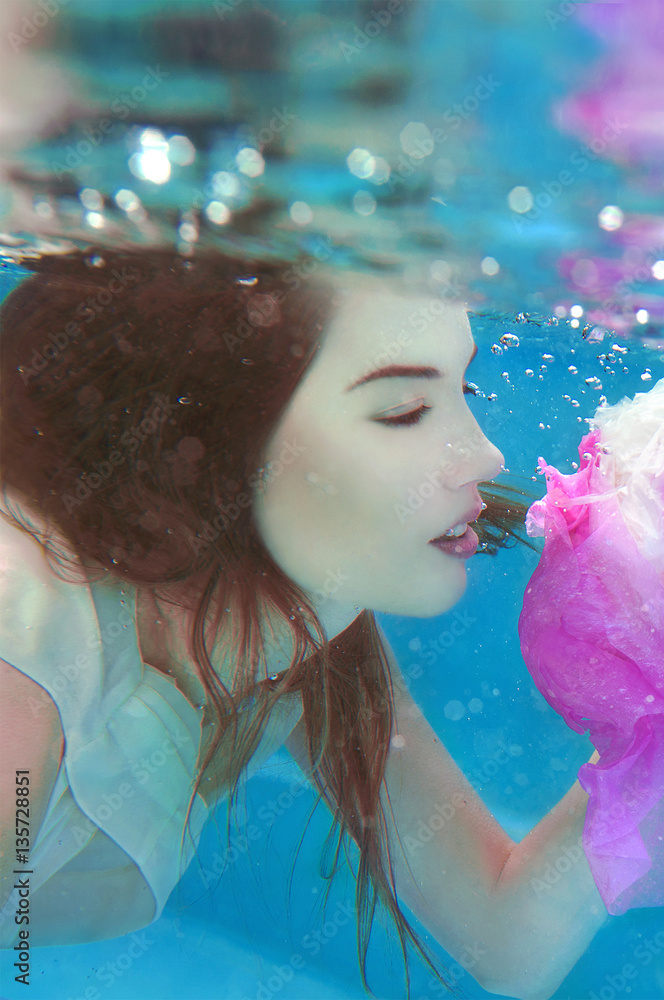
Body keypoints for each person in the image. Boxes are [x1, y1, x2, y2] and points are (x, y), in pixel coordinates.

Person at [0, 248, 607, 999]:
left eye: (466, 389)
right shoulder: (23, 656)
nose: (486, 453)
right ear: (211, 445)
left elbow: (509, 940)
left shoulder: (312, 629)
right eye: (404, 410)